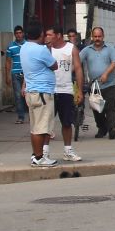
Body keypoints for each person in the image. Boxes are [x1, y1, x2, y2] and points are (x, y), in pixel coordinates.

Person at [19, 20, 59, 167]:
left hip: (32, 91)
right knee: (41, 127)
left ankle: (36, 155)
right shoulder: (40, 50)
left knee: (35, 126)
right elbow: (54, 65)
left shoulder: (24, 48)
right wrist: (47, 48)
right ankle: (39, 157)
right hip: (42, 92)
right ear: (40, 34)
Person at [46, 26, 84, 162]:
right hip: (50, 90)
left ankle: (68, 150)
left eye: (49, 35)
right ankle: (44, 153)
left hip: (66, 90)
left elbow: (78, 69)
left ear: (58, 35)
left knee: (67, 122)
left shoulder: (71, 49)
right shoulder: (46, 50)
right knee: (47, 124)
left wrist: (79, 90)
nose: (47, 38)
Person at [79, 27, 115, 139]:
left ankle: (112, 129)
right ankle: (102, 128)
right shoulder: (87, 50)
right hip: (94, 86)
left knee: (110, 107)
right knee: (98, 110)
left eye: (99, 36)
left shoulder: (110, 49)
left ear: (103, 36)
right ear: (92, 37)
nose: (97, 39)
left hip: (109, 84)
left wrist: (106, 73)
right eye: (95, 36)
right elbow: (77, 61)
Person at [5, 25, 27, 124]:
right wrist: (7, 75)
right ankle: (21, 117)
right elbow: (8, 62)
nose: (18, 35)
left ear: (23, 33)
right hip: (15, 74)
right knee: (18, 96)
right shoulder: (10, 47)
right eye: (16, 33)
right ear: (14, 34)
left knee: (28, 95)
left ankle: (32, 116)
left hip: (27, 74)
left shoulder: (27, 45)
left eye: (20, 33)